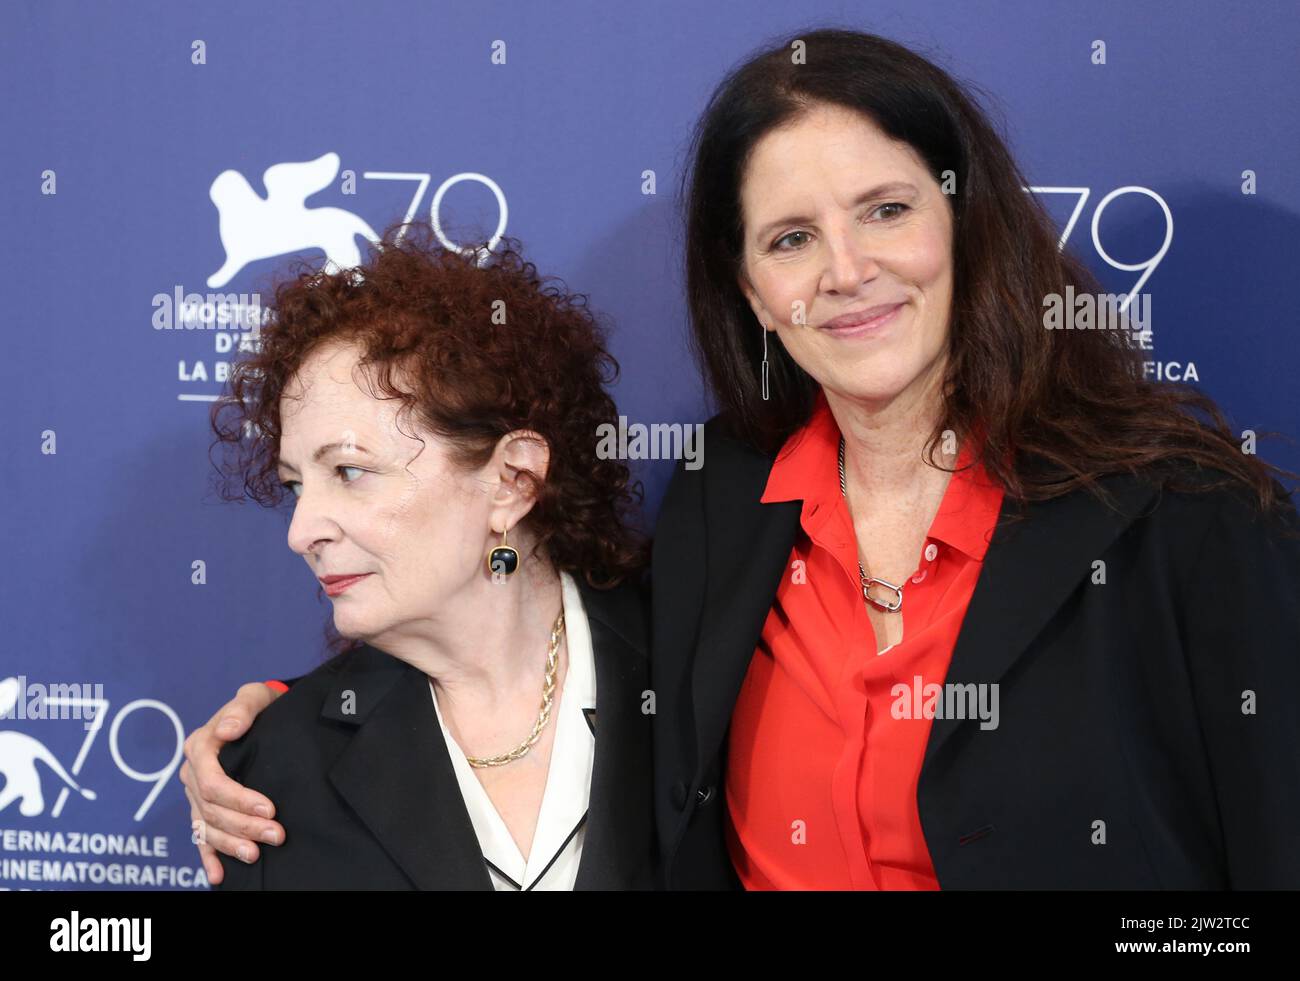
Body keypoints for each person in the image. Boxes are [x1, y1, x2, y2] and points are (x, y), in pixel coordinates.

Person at [184, 28, 1300, 891]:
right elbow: (532, 626)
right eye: (790, 238)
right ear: (752, 291)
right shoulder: (729, 498)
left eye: (886, 209)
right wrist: (281, 722)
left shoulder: (1177, 516)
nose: (846, 269)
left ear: (967, 225)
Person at [197, 221, 655, 889]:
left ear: (513, 480)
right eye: (296, 483)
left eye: (349, 471)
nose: (300, 531)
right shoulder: (272, 770)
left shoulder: (696, 677)